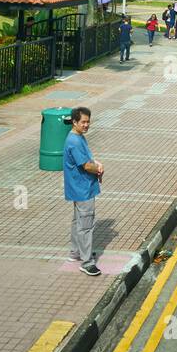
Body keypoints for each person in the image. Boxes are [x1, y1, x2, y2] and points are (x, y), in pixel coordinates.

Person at [63, 107, 104, 276]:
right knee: (86, 224)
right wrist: (98, 169)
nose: (86, 125)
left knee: (77, 220)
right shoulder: (74, 141)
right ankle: (86, 262)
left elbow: (88, 160)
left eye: (88, 121)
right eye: (83, 122)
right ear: (74, 122)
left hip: (78, 187)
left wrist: (97, 163)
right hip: (82, 188)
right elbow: (86, 166)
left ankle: (76, 252)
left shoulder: (78, 137)